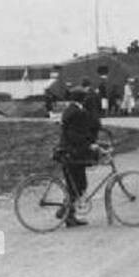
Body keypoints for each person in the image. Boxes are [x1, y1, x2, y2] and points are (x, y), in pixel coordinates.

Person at [57, 87, 102, 228]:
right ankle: (65, 212)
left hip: (70, 152)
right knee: (77, 185)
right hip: (72, 153)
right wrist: (89, 144)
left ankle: (68, 213)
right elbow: (74, 134)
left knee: (77, 185)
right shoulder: (76, 112)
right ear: (82, 98)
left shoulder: (72, 109)